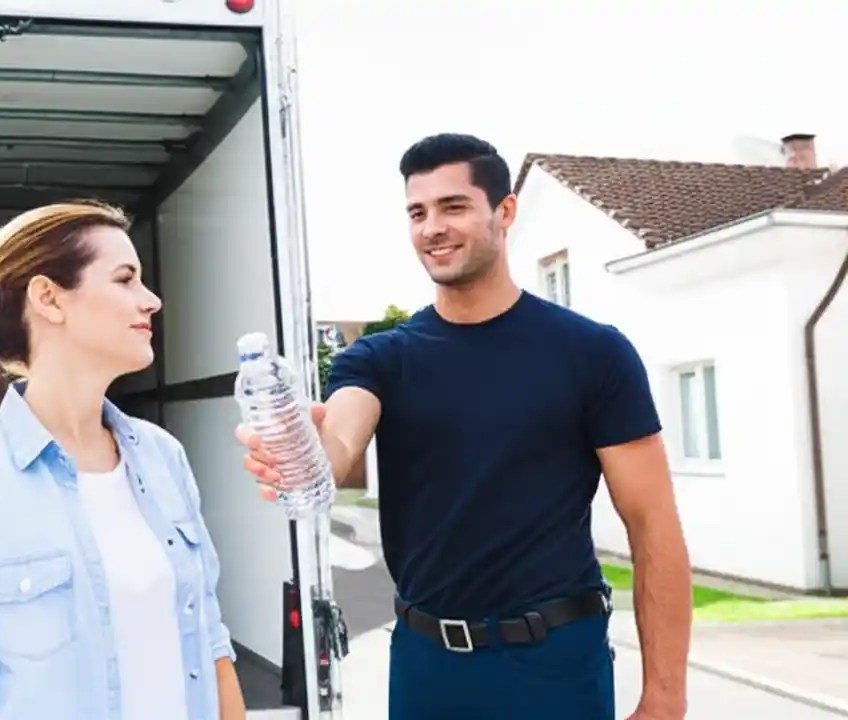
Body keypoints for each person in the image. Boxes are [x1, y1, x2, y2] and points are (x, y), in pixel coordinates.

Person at [237, 134, 692, 719]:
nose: (432, 228)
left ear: (505, 211)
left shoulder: (593, 354)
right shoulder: (380, 359)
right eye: (417, 212)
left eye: (453, 207)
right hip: (428, 668)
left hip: (555, 667)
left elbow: (653, 526)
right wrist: (304, 451)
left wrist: (665, 698)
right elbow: (342, 441)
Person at [0, 200, 246, 720]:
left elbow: (211, 642)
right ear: (49, 298)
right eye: (125, 279)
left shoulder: (163, 457)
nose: (151, 300)